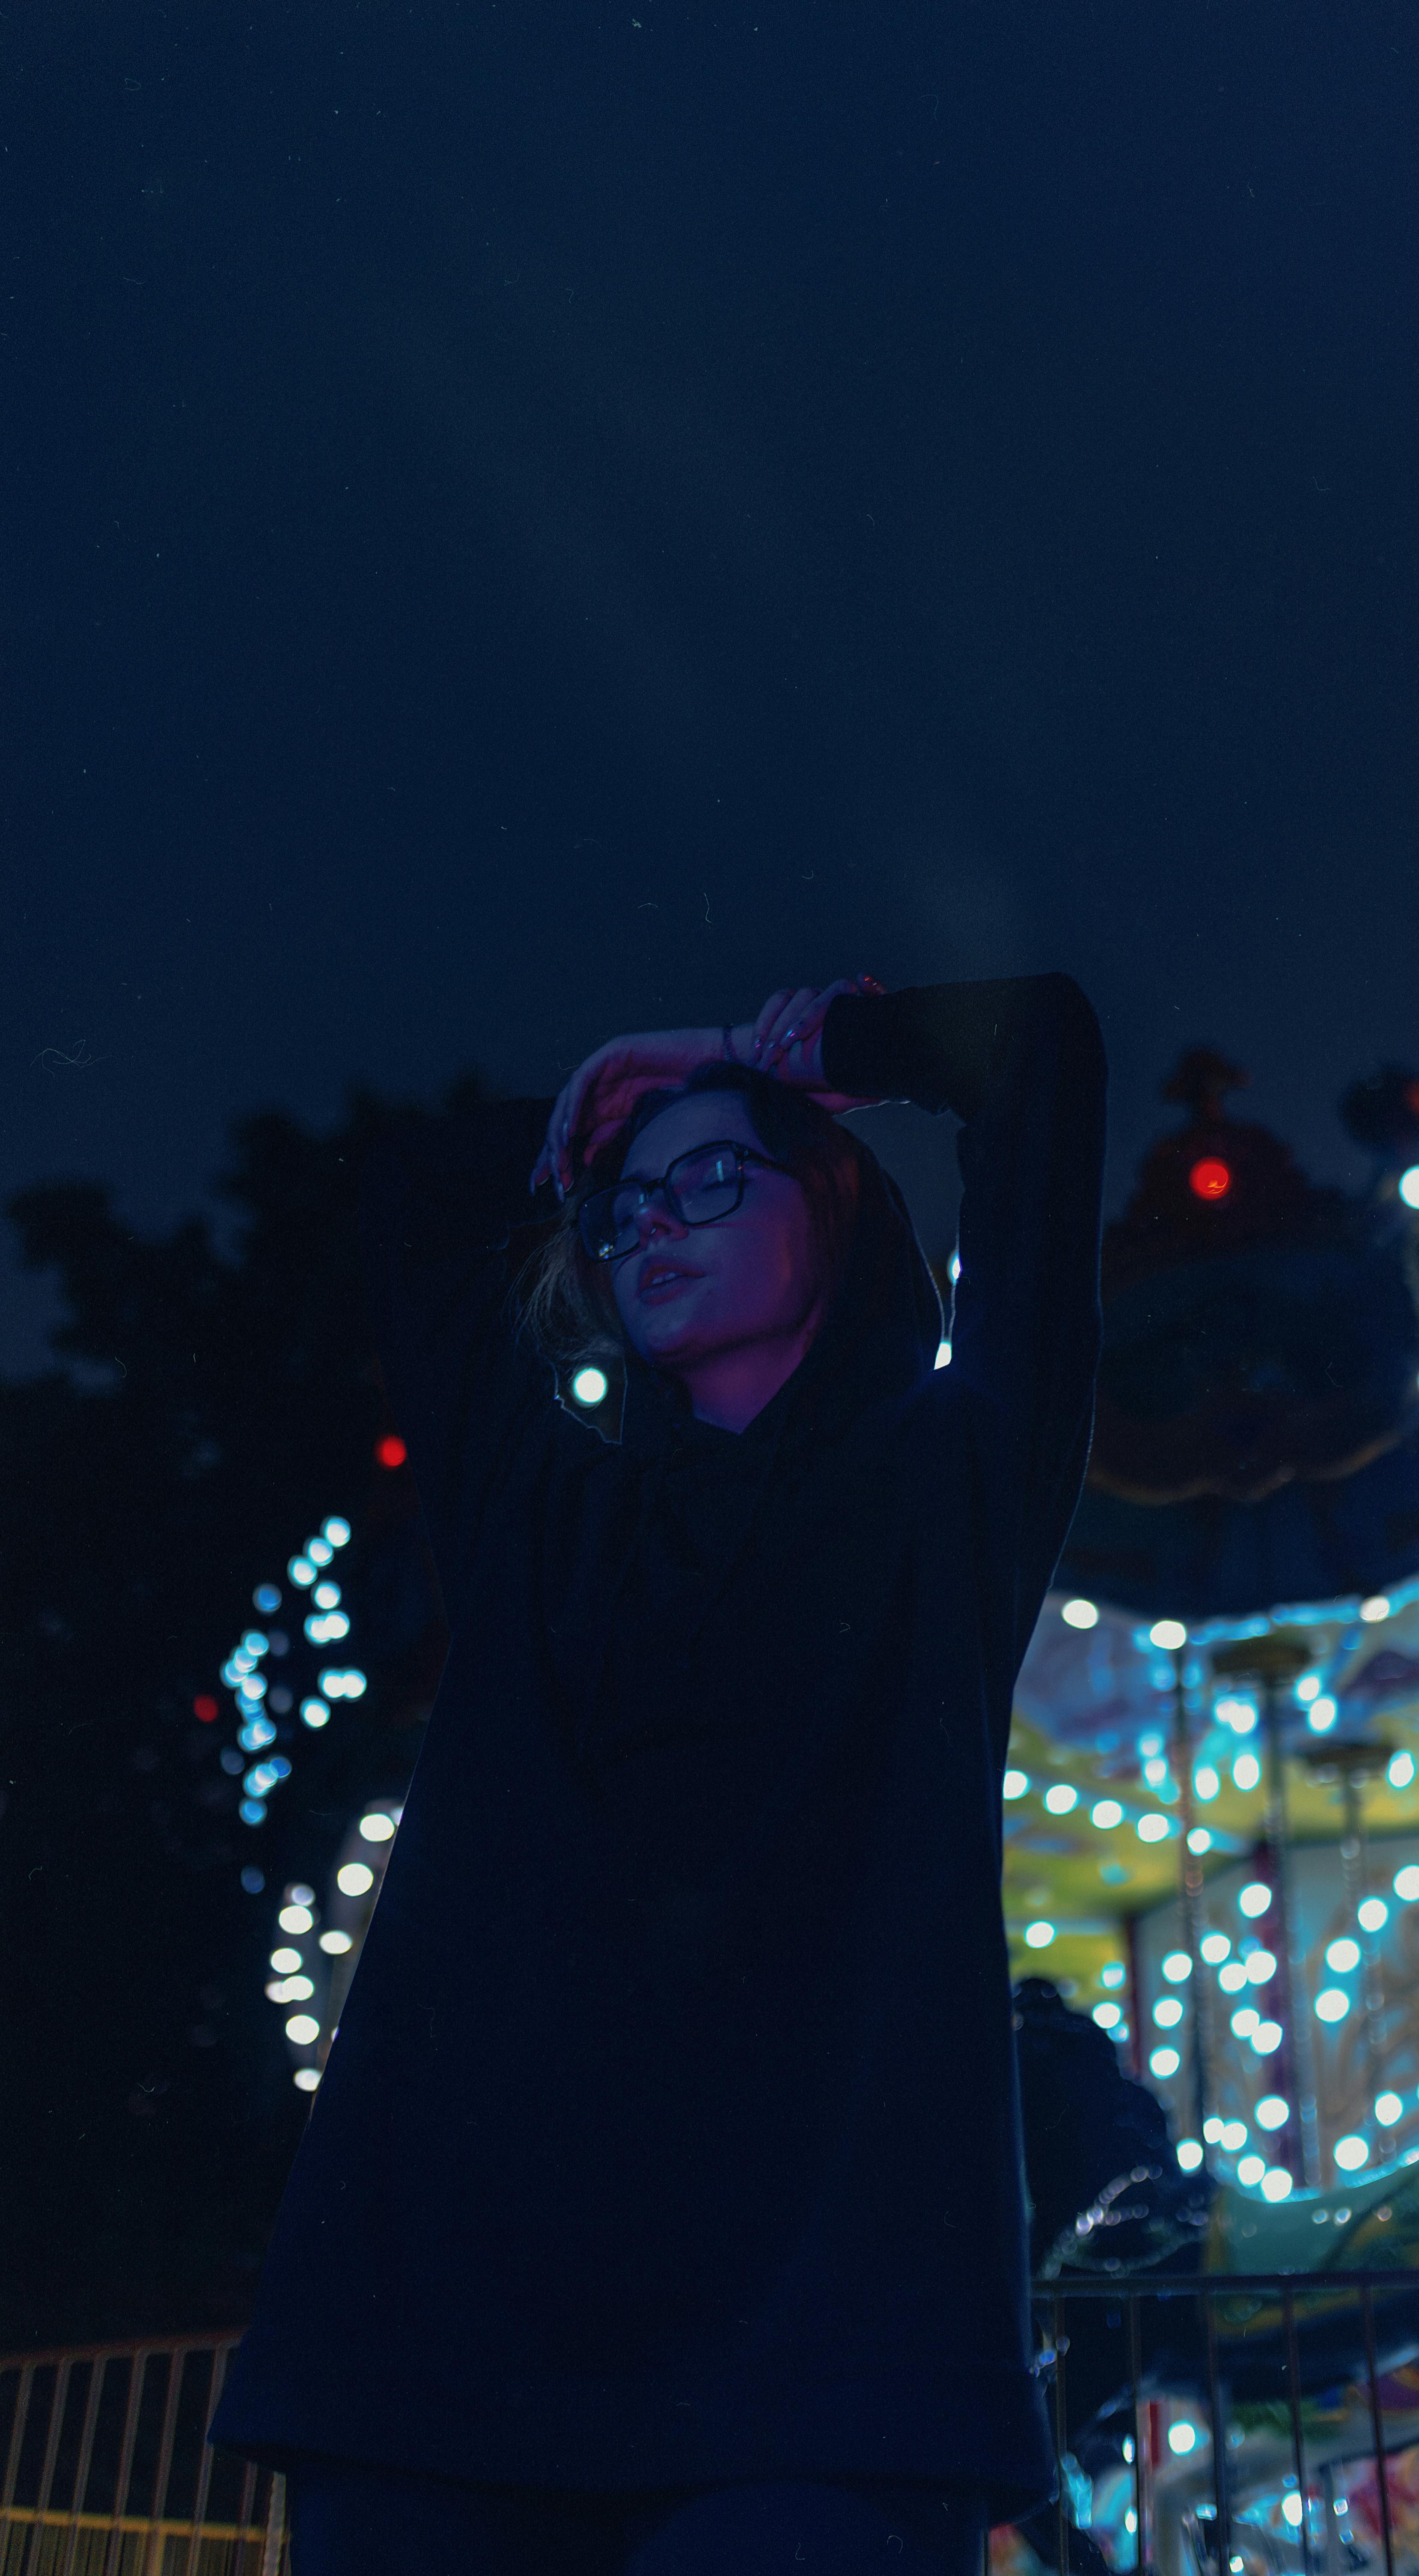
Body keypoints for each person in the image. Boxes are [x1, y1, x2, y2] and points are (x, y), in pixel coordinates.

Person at [211, 971, 1107, 2573]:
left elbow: (1042, 1052)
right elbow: (413, 1196)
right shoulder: (541, 1516)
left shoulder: (948, 1486)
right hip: (451, 2338)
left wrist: (755, 1054)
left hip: (822, 2339)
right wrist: (590, 1120)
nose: (654, 1228)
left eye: (715, 1178)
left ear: (837, 1207)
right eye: (626, 1206)